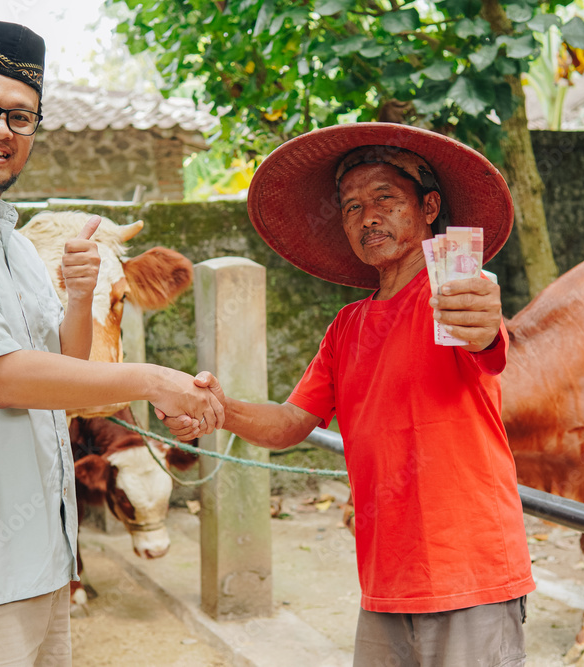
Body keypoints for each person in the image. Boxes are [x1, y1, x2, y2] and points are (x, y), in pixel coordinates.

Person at [0, 20, 221, 666]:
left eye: (21, 118)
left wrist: (79, 296)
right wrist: (151, 378)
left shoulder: (15, 245)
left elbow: (64, 366)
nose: (1, 129)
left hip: (39, 558)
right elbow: (1, 376)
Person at [161, 123, 535, 666]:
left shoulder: (451, 294)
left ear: (430, 206)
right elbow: (292, 421)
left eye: (385, 197)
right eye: (352, 206)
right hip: (385, 580)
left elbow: (485, 339)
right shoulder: (347, 326)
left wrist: (483, 318)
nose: (368, 216)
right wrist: (218, 407)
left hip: (470, 574)